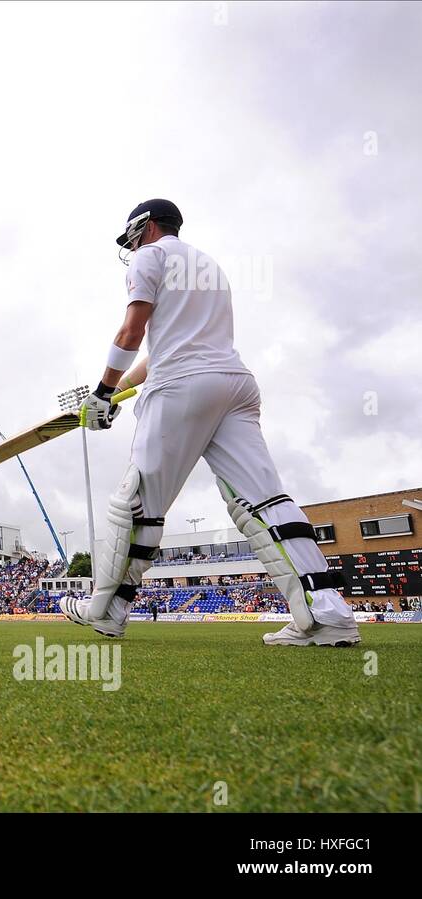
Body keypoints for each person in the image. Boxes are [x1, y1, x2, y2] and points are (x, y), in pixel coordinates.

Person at [63, 199, 358, 647]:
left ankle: (105, 609)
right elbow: (159, 351)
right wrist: (114, 383)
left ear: (147, 226)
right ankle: (326, 614)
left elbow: (132, 330)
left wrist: (104, 393)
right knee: (265, 502)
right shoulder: (209, 266)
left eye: (132, 236)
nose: (131, 246)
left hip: (182, 387)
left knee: (136, 503)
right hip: (234, 385)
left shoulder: (150, 256)